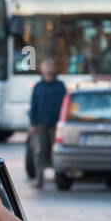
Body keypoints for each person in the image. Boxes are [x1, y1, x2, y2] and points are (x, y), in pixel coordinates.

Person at [27, 59, 66, 189]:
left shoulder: (60, 86)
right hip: (40, 125)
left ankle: (59, 179)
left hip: (56, 125)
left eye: (51, 66)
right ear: (41, 69)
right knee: (39, 152)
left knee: (56, 152)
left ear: (55, 69)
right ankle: (39, 179)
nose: (49, 68)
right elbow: (33, 106)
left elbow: (65, 106)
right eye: (46, 66)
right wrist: (32, 124)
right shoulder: (38, 86)